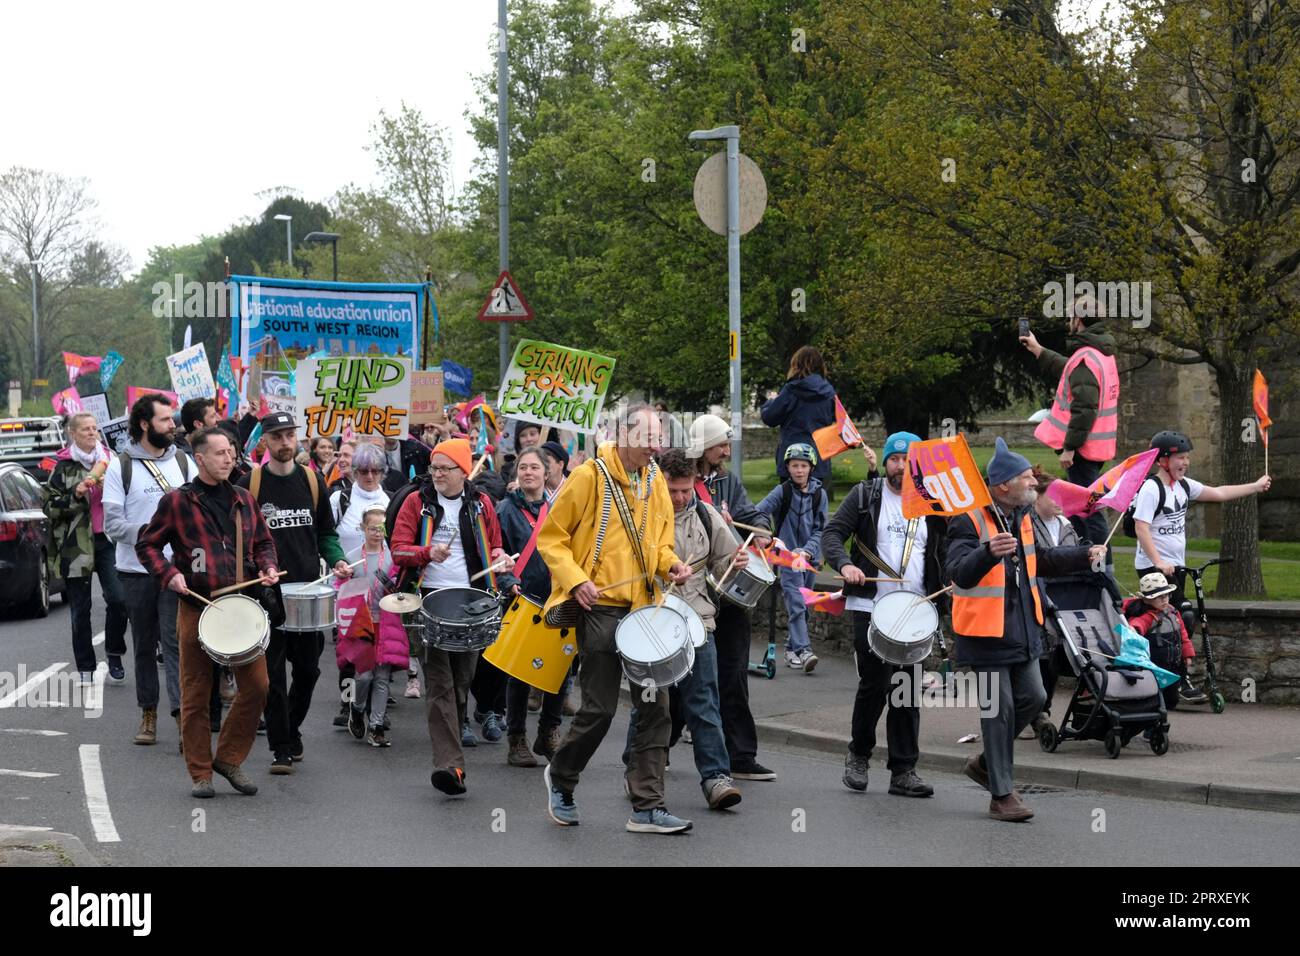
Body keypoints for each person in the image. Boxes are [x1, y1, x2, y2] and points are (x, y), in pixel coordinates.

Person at [536, 405, 695, 833]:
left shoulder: (655, 479)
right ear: (623, 435)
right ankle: (563, 777)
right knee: (601, 710)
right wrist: (575, 580)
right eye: (647, 439)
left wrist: (672, 565)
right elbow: (552, 538)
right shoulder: (589, 476)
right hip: (600, 607)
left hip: (644, 608)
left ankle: (647, 806)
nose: (655, 448)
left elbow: (659, 545)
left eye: (658, 439)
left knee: (656, 707)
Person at [946, 438, 1104, 822]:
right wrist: (987, 552)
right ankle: (1002, 795)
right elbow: (956, 573)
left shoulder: (1024, 517)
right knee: (998, 712)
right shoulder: (968, 519)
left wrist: (1083, 554)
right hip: (984, 634)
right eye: (1025, 477)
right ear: (1003, 485)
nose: (1035, 481)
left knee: (1033, 698)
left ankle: (986, 762)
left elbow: (1042, 560)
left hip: (1023, 631)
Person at [135, 427, 281, 798]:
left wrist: (266, 567)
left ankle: (229, 758)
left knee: (258, 686)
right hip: (196, 606)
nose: (229, 458)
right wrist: (169, 575)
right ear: (199, 459)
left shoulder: (244, 500)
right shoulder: (177, 502)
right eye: (220, 453)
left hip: (241, 606)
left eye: (231, 451)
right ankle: (201, 773)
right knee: (196, 694)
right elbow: (147, 545)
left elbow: (264, 542)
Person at [821, 431, 946, 798]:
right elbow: (832, 534)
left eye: (909, 460)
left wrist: (951, 578)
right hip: (871, 605)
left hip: (915, 609)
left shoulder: (932, 504)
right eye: (895, 459)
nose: (901, 467)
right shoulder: (866, 495)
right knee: (875, 685)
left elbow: (946, 549)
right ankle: (859, 754)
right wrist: (844, 565)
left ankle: (903, 770)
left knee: (906, 691)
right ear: (887, 462)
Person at [390, 438, 517, 796]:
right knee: (440, 683)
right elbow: (398, 549)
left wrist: (501, 558)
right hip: (428, 599)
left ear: (464, 471)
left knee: (463, 680)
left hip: (472, 601)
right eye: (434, 468)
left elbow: (493, 546)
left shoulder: (481, 504)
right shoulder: (417, 502)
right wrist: (426, 552)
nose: (438, 475)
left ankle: (455, 736)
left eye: (446, 469)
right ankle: (450, 765)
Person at [623, 448, 746, 810]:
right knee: (649, 705)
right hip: (652, 624)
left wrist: (736, 562)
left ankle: (716, 778)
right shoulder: (639, 515)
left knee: (704, 702)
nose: (679, 498)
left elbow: (727, 563)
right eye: (673, 490)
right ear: (659, 483)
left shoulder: (707, 516)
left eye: (685, 490)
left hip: (698, 622)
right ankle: (636, 771)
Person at [237, 413, 351, 774]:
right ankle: (281, 747)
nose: (286, 442)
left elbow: (326, 535)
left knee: (308, 670)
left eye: (290, 435)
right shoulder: (249, 484)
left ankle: (291, 726)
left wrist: (338, 561)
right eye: (278, 436)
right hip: (266, 595)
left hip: (307, 594)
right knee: (271, 674)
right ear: (265, 442)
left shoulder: (313, 481)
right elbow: (237, 541)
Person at [1131, 430, 1270, 703]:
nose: (1186, 462)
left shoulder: (1182, 487)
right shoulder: (1151, 488)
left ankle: (1172, 677)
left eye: (1187, 457)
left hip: (1176, 568)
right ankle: (1172, 679)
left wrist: (1254, 486)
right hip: (1152, 568)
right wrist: (1158, 562)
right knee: (1176, 617)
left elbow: (1218, 493)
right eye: (1180, 458)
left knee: (1180, 618)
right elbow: (1141, 527)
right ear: (1162, 461)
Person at [683, 413, 777, 780]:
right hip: (690, 591)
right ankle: (656, 751)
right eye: (721, 444)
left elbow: (752, 514)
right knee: (683, 677)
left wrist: (763, 530)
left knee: (735, 673)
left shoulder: (727, 481)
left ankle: (740, 756)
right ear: (704, 446)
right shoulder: (679, 480)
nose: (726, 451)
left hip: (728, 591)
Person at [102, 393, 195, 748]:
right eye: (165, 420)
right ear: (145, 425)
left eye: (172, 420)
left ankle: (182, 717)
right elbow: (113, 524)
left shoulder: (185, 464)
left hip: (176, 572)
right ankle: (148, 712)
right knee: (143, 644)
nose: (173, 425)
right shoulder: (120, 466)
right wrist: (152, 537)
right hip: (136, 571)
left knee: (176, 645)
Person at [1020, 294, 1120, 545]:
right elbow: (1073, 371)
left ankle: (1099, 567)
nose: (1068, 322)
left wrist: (1070, 448)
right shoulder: (1100, 352)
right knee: (1080, 507)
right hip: (1095, 447)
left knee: (1088, 508)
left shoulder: (1086, 355)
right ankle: (1080, 560)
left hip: (1082, 449)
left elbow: (1084, 409)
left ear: (1079, 320)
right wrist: (1039, 350)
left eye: (1070, 317)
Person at [495, 447, 574, 766]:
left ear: (546, 473)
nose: (528, 472)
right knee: (520, 674)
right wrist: (506, 582)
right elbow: (496, 552)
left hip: (556, 597)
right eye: (523, 467)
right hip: (521, 598)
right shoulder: (504, 510)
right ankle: (516, 740)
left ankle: (548, 732)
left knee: (558, 669)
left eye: (534, 467)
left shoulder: (560, 508)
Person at [44, 412, 128, 684]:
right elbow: (50, 507)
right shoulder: (62, 466)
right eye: (86, 430)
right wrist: (76, 494)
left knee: (118, 599)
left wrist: (112, 489)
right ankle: (86, 667)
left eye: (94, 429)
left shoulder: (111, 461)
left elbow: (128, 496)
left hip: (107, 540)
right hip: (75, 544)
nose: (92, 433)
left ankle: (114, 652)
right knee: (80, 609)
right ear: (73, 434)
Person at [336, 506, 407, 747]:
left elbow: (404, 586)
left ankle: (376, 727)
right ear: (363, 529)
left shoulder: (394, 556)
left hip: (387, 623)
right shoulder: (353, 556)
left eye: (382, 528)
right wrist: (343, 576)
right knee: (364, 675)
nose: (378, 533)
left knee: (382, 678)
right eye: (373, 528)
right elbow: (341, 589)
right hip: (361, 625)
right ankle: (357, 709)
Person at [755, 443, 828, 672]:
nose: (799, 470)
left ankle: (790, 648)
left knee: (805, 605)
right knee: (796, 603)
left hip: (810, 559)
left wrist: (808, 550)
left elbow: (821, 529)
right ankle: (805, 650)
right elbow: (758, 512)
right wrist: (765, 531)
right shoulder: (782, 491)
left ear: (811, 468)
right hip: (787, 558)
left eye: (803, 465)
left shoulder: (819, 495)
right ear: (787, 468)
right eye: (794, 465)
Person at [1028, 467, 1081, 730]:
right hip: (1037, 598)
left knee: (1057, 656)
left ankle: (1042, 712)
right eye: (1053, 497)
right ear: (1037, 498)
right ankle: (1036, 714)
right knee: (1042, 658)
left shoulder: (1066, 525)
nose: (1060, 502)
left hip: (1065, 599)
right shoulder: (1026, 524)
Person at [759, 345, 837, 486]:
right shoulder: (829, 393)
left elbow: (769, 417)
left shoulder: (792, 389)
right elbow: (837, 419)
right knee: (815, 504)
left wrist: (771, 401)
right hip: (818, 458)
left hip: (793, 458)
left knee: (790, 505)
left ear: (796, 365)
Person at [330, 443, 392, 560]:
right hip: (345, 575)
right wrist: (337, 560)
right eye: (364, 471)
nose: (370, 476)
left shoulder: (391, 500)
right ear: (355, 471)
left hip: (383, 576)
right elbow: (325, 536)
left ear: (382, 472)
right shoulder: (339, 499)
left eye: (375, 471)